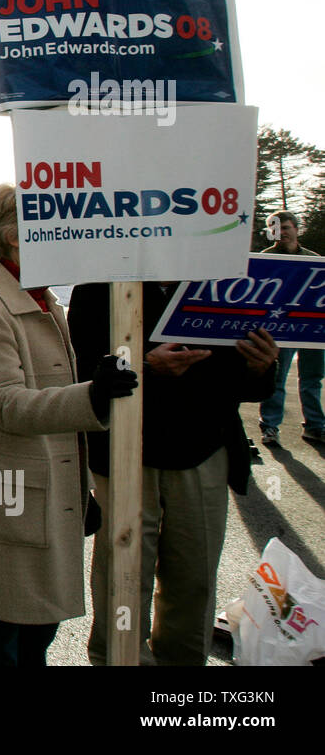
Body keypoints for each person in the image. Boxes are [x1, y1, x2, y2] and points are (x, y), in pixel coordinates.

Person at [0, 183, 137, 666]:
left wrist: (77, 489)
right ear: (16, 241)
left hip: (39, 500)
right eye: (49, 227)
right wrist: (93, 396)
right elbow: (7, 404)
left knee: (33, 634)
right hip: (5, 503)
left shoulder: (45, 302)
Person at [69, 282, 278, 664]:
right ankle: (118, 660)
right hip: (125, 451)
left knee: (194, 579)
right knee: (123, 580)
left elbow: (246, 382)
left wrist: (262, 366)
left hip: (203, 447)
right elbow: (81, 367)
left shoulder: (223, 283)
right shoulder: (101, 280)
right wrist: (145, 366)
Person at [257, 209, 324, 447]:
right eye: (274, 229)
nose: (280, 233)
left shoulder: (314, 259)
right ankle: (270, 427)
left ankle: (315, 426)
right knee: (276, 378)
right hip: (280, 329)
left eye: (285, 228)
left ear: (296, 229)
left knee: (312, 379)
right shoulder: (264, 260)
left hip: (311, 329)